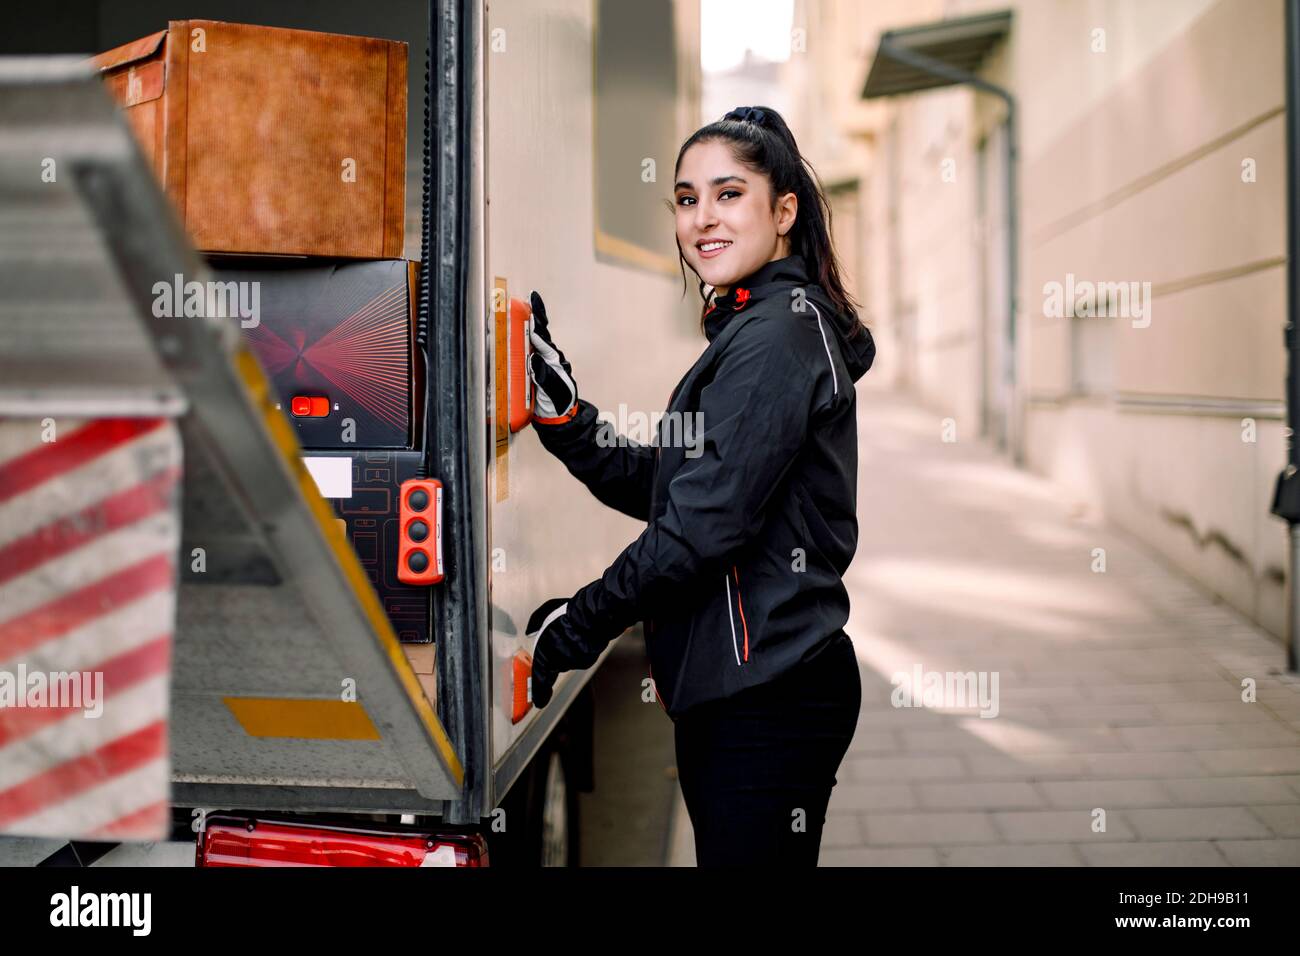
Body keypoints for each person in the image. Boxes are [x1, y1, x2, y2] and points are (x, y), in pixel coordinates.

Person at [524, 105, 875, 866]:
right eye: (687, 199)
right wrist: (569, 422)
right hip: (747, 688)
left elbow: (701, 527)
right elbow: (678, 484)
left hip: (768, 698)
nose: (701, 219)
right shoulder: (757, 326)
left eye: (728, 194)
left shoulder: (779, 334)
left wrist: (582, 623)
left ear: (784, 211)